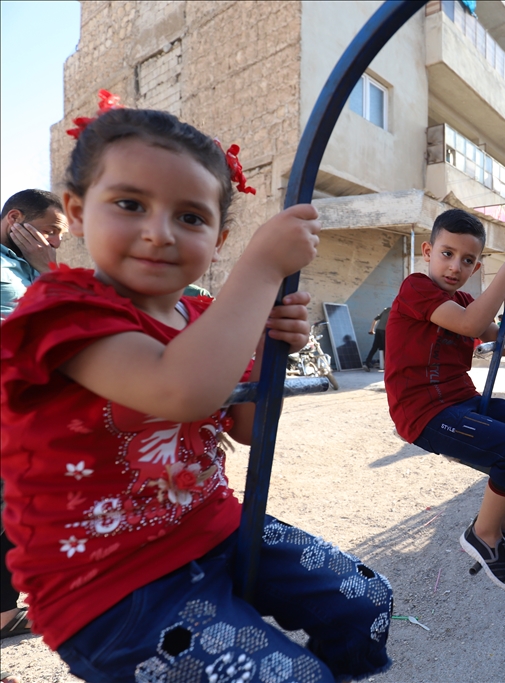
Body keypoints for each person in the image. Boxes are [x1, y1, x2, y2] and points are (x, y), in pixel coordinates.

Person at [0, 103, 392, 681]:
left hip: (211, 528)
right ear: (79, 214)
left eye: (190, 216)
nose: (159, 233)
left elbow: (250, 431)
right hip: (108, 589)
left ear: (218, 236)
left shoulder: (206, 316)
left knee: (367, 602)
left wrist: (268, 353)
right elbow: (178, 390)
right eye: (130, 205)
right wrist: (259, 271)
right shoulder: (62, 311)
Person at [384, 208, 505, 592]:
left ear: (475, 265)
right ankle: (484, 534)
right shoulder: (415, 288)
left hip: (461, 399)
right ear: (428, 250)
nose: (454, 266)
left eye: (466, 260)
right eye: (446, 254)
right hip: (424, 413)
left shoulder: (465, 299)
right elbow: (469, 324)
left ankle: (501, 519)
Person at [1, 190, 68, 647]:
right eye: (50, 232)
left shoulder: (19, 266)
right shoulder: (4, 271)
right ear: (16, 220)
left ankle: (6, 613)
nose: (55, 244)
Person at [0, 189, 68, 317]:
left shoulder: (39, 267)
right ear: (14, 218)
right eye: (50, 231)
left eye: (62, 236)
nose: (56, 244)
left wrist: (49, 271)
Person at [363, 305, 390, 371]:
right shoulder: (395, 311)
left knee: (375, 347)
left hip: (378, 330)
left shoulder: (386, 310)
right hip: (385, 331)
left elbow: (375, 319)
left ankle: (366, 363)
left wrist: (372, 330)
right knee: (386, 348)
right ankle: (387, 366)